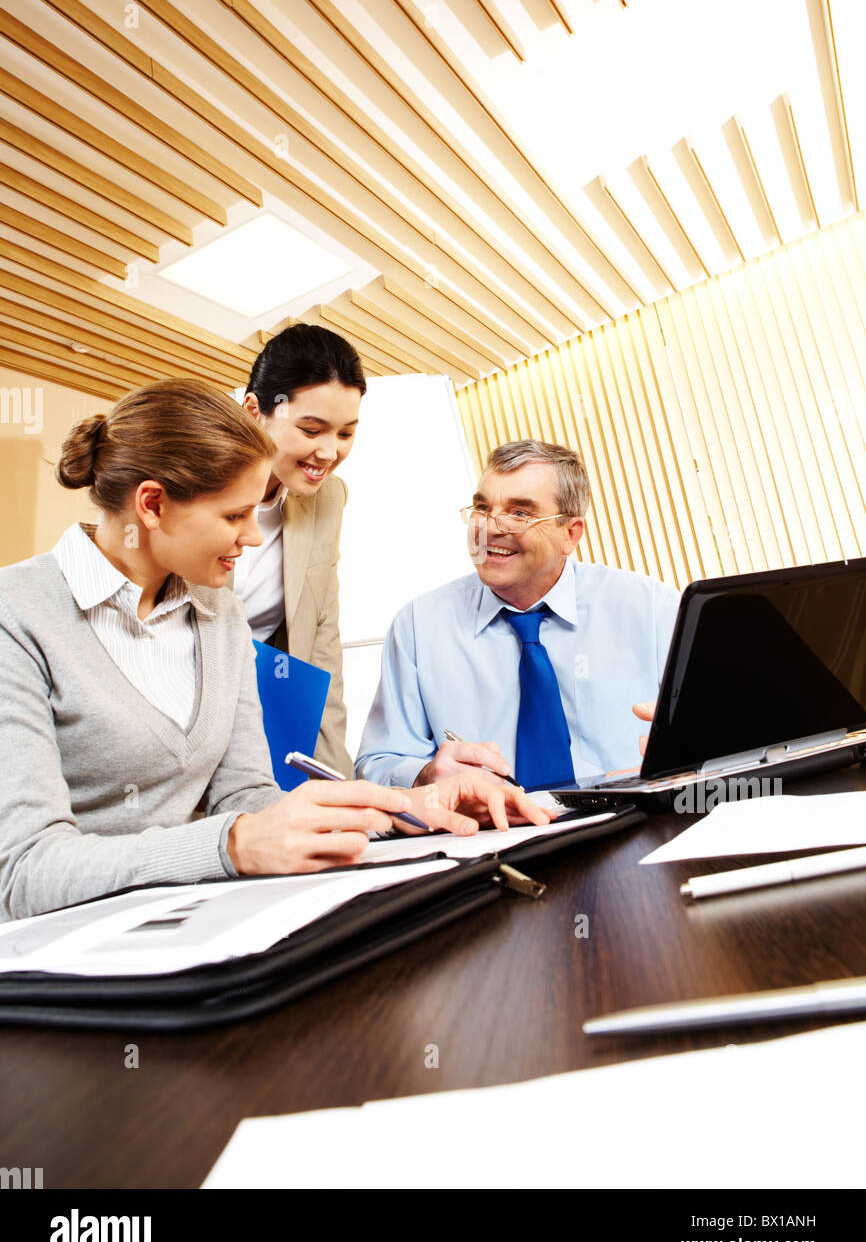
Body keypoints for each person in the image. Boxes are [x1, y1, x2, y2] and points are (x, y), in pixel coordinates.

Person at [0, 383, 549, 922]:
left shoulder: (219, 611)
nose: (253, 537)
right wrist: (233, 846)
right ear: (152, 504)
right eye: (234, 516)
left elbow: (243, 796)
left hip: (183, 925)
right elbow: (23, 873)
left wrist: (404, 808)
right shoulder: (17, 616)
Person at [356, 440, 680, 790]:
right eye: (482, 508)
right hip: (491, 835)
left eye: (520, 513)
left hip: (632, 820)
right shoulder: (418, 626)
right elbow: (378, 762)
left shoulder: (652, 608)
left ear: (570, 535)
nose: (491, 527)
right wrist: (427, 776)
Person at [235, 323, 364, 778]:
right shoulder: (188, 485)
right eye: (311, 429)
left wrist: (338, 783)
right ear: (254, 411)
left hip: (257, 712)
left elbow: (320, 648)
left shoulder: (328, 499)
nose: (329, 452)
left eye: (346, 433)